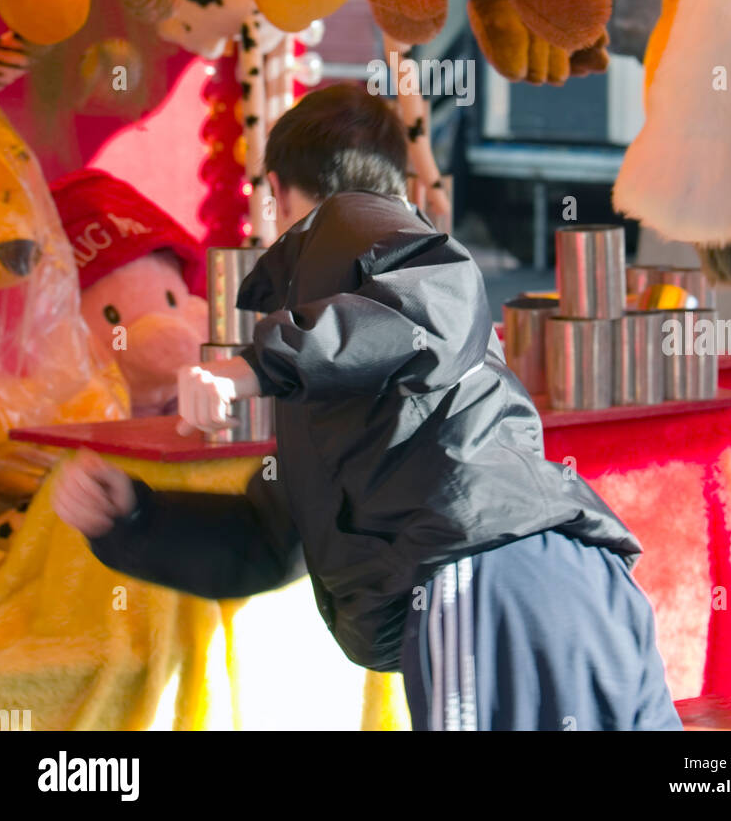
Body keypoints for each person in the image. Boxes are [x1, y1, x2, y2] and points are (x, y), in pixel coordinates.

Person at [53, 82, 681, 732]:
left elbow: (429, 300)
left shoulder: (352, 225)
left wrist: (252, 367)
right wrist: (133, 517)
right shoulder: (342, 364)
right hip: (583, 584)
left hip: (484, 579)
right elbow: (268, 542)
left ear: (274, 191)